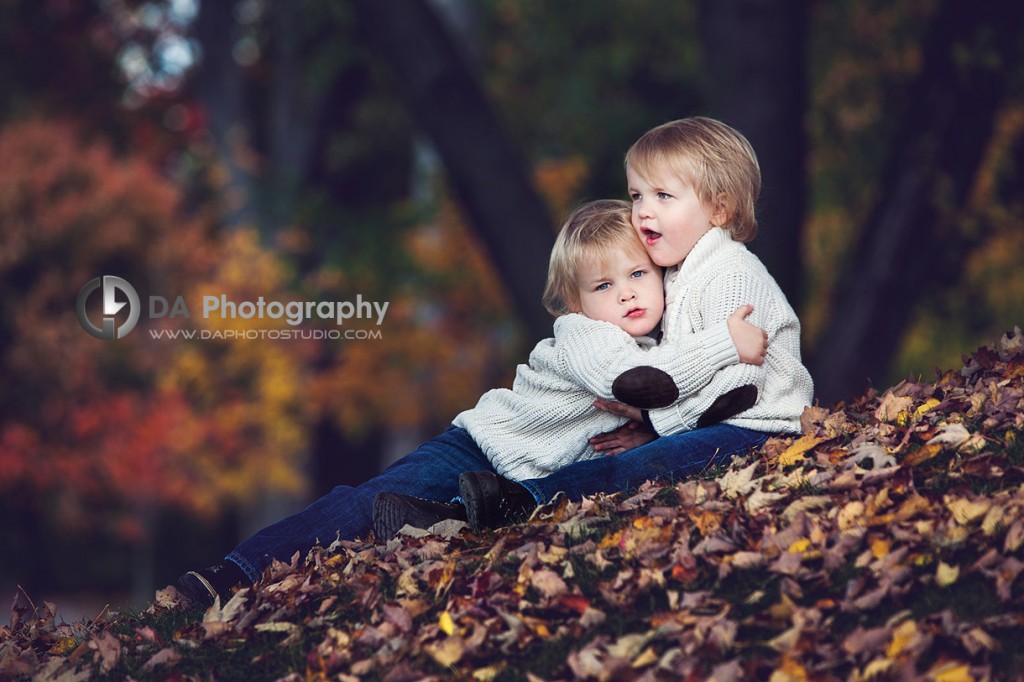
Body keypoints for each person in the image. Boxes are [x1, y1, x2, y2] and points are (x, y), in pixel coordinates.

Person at [176, 199, 765, 606]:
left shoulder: (664, 342)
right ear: (576, 303)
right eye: (603, 286)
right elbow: (632, 385)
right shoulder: (588, 335)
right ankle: (232, 573)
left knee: (419, 513)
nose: (627, 292)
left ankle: (437, 519)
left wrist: (651, 430)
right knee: (361, 503)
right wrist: (720, 351)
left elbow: (670, 398)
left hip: (516, 482)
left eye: (638, 273)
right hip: (481, 444)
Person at [455, 116, 815, 531]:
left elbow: (739, 388)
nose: (643, 211)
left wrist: (654, 423)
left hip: (759, 428)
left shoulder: (730, 273)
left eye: (663, 196)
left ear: (720, 208)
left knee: (635, 468)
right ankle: (475, 506)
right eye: (637, 195)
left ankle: (526, 502)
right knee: (633, 461)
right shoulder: (677, 276)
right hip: (716, 424)